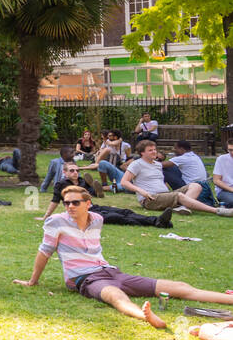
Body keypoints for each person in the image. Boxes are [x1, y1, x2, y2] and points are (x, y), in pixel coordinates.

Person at [18, 184, 233, 328]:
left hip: (110, 271)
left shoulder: (97, 219)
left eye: (75, 202)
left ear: (88, 203)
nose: (70, 207)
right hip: (85, 278)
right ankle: (145, 316)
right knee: (114, 296)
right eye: (66, 203)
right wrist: (32, 281)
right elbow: (44, 252)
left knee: (179, 287)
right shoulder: (56, 222)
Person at [122, 140, 232, 217]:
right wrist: (142, 191)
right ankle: (218, 211)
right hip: (150, 199)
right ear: (142, 153)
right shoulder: (137, 164)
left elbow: (160, 181)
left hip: (163, 194)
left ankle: (183, 207)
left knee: (196, 186)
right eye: (150, 150)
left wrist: (166, 190)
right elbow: (124, 182)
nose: (154, 152)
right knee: (179, 195)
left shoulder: (157, 164)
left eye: (155, 149)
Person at [43, 163, 172, 227]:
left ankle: (159, 220)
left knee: (125, 211)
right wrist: (46, 217)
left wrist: (94, 192)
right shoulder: (61, 184)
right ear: (65, 172)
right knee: (117, 217)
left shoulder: (82, 181)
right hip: (82, 213)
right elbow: (55, 201)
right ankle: (157, 222)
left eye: (77, 170)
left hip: (93, 207)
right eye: (72, 171)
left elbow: (91, 196)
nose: (75, 172)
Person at [161, 140, 215, 204]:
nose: (174, 150)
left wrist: (149, 161)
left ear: (181, 149)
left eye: (175, 148)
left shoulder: (183, 158)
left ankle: (161, 190)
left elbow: (161, 165)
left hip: (190, 188)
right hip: (202, 186)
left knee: (164, 169)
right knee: (172, 167)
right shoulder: (195, 156)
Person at [212, 138, 233, 209]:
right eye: (230, 150)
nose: (232, 152)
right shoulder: (221, 159)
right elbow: (216, 180)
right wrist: (231, 189)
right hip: (224, 190)